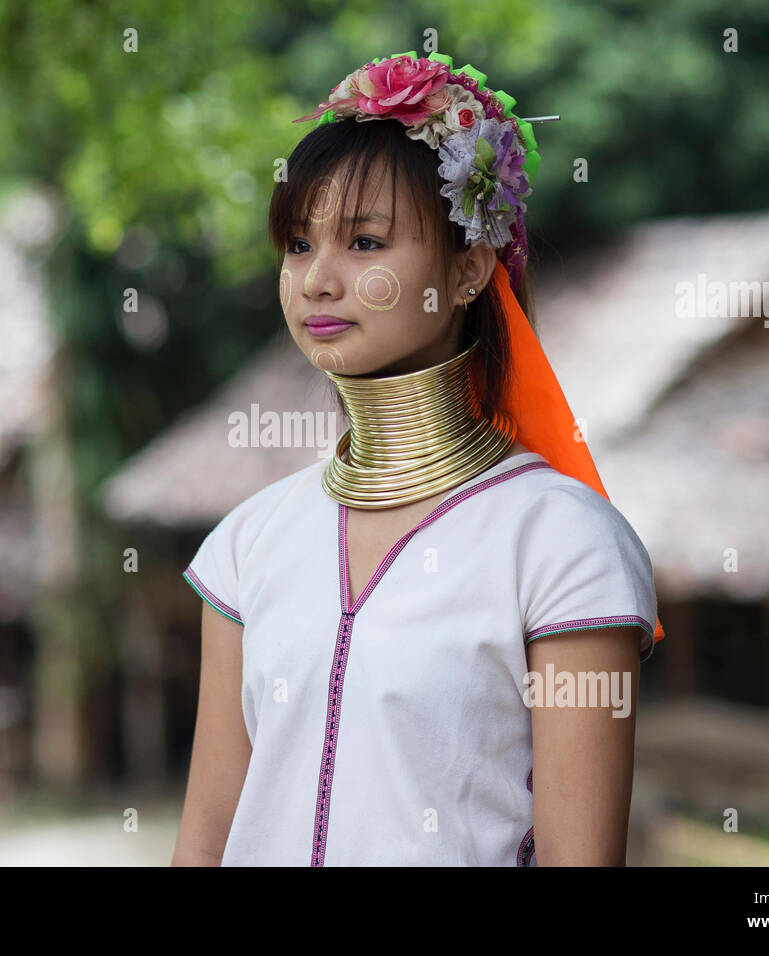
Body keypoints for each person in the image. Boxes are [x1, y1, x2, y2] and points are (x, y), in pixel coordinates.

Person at [172, 51, 664, 867]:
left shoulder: (564, 546)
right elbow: (205, 841)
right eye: (298, 244)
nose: (317, 281)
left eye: (365, 243)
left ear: (469, 269)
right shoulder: (244, 547)